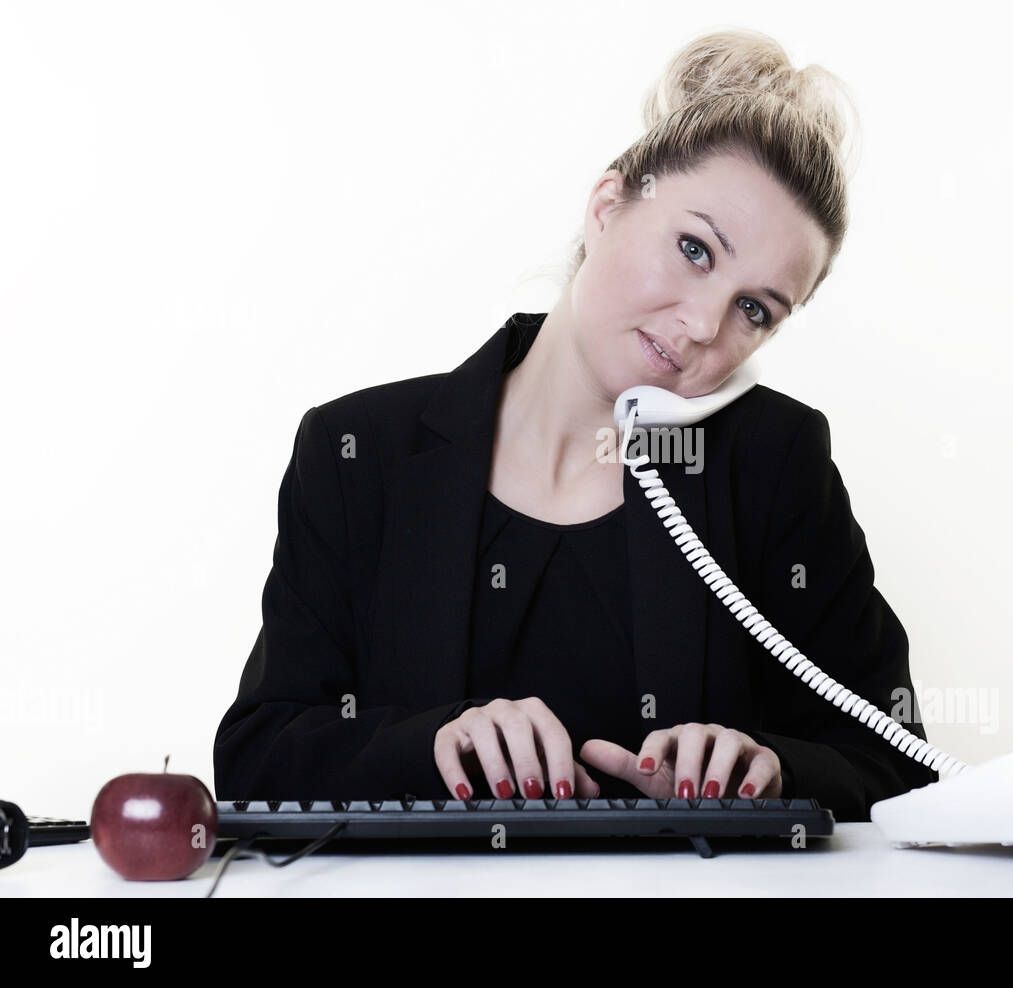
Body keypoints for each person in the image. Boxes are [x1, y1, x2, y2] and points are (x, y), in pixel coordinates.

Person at [213, 28, 939, 821]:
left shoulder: (775, 464)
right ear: (607, 207)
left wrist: (771, 768)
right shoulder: (358, 455)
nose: (702, 325)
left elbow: (898, 760)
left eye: (755, 309)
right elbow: (260, 755)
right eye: (695, 249)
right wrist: (434, 748)